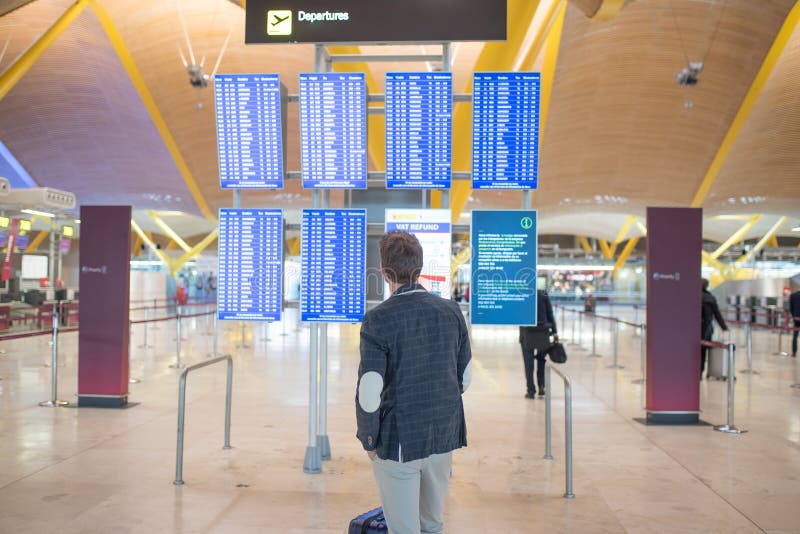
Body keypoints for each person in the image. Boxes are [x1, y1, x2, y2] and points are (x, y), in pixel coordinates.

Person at [356, 231, 472, 534]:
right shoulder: (451, 311)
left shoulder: (378, 318)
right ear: (419, 268)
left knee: (404, 529)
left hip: (399, 440)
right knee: (432, 524)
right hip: (443, 436)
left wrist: (369, 438)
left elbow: (370, 388)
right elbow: (465, 376)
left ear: (383, 270)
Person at [518, 290, 557, 398]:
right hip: (542, 332)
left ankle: (530, 390)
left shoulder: (521, 293)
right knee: (541, 360)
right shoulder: (543, 294)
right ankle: (541, 386)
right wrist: (554, 331)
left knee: (528, 363)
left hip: (527, 332)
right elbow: (550, 313)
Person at [701, 278, 728, 378]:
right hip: (706, 329)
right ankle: (701, 371)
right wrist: (723, 327)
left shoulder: (690, 296)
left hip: (692, 330)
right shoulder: (710, 297)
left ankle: (694, 372)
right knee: (703, 350)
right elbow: (717, 314)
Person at [790, 288, 799, 357]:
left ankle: (794, 352)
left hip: (796, 318)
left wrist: (794, 316)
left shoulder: (793, 295)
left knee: (795, 336)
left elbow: (791, 308)